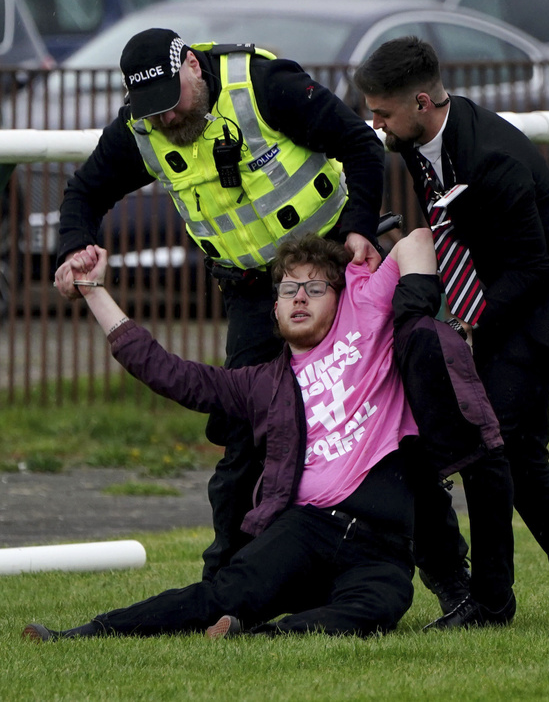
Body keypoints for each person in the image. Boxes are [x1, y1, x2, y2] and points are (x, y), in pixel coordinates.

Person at [23, 229, 498, 641]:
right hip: (305, 529)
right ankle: (86, 632)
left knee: (381, 607)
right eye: (288, 289)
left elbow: (418, 241)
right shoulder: (260, 383)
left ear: (342, 295)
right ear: (273, 309)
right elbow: (165, 371)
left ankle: (263, 635)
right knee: (225, 592)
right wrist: (93, 290)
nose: (299, 298)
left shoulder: (368, 315)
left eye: (314, 288)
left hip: (383, 543)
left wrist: (410, 312)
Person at [51, 28, 386, 581]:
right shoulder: (141, 126)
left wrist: (358, 232)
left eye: (169, 103)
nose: (163, 121)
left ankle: (448, 580)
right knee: (241, 442)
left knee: (382, 422)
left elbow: (361, 145)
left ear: (191, 68)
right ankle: (226, 584)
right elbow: (83, 192)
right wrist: (74, 249)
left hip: (331, 275)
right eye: (150, 110)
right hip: (254, 296)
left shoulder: (265, 85)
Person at [353, 36, 549, 628]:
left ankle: (491, 604)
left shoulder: (493, 157)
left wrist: (462, 322)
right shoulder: (418, 138)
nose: (376, 125)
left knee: (489, 443)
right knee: (521, 457)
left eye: (383, 112)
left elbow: (532, 267)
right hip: (514, 299)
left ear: (421, 101)